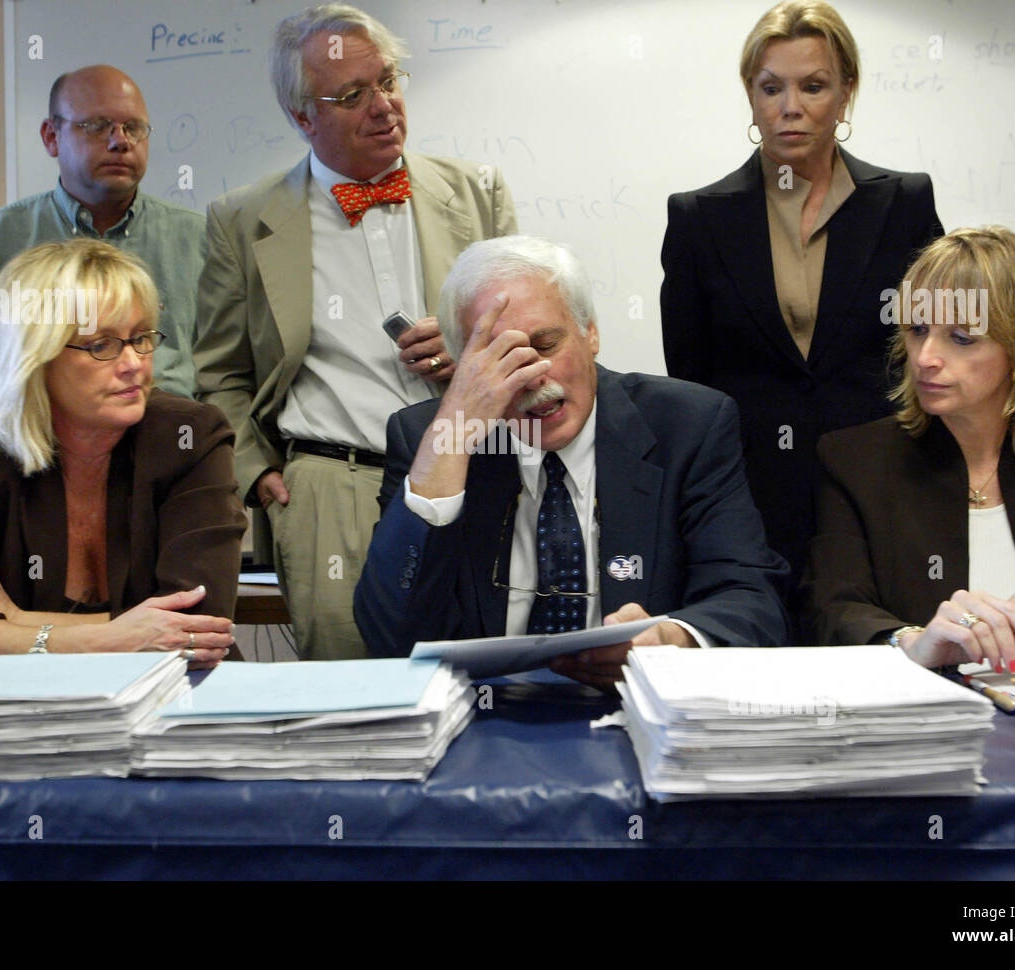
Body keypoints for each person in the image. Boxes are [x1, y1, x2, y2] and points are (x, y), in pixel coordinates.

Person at [194, 3, 516, 661]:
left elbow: (531, 327)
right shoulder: (243, 219)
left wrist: (468, 351)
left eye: (390, 80)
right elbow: (220, 371)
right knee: (349, 694)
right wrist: (257, 474)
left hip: (469, 466)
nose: (385, 106)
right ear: (302, 116)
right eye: (352, 95)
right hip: (327, 488)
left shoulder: (477, 192)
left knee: (475, 666)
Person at [355, 236, 789, 691]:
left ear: (591, 333)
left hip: (631, 710)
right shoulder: (428, 439)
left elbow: (752, 600)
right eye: (497, 359)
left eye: (545, 344)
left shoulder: (687, 425)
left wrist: (671, 639)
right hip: (484, 720)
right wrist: (449, 442)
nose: (530, 377)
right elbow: (389, 635)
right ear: (464, 368)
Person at [660, 0, 943, 610]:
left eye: (813, 86)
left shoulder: (904, 203)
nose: (790, 107)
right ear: (751, 96)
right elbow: (691, 383)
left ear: (845, 93)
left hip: (882, 480)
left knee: (885, 662)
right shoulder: (697, 217)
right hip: (750, 495)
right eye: (771, 88)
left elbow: (933, 348)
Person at [0, 238, 245, 667]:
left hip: (178, 703)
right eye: (102, 345)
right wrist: (108, 638)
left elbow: (195, 629)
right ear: (35, 359)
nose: (134, 362)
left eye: (141, 338)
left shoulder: (190, 436)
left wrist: (14, 618)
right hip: (25, 711)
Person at [804, 227, 1015, 672]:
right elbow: (832, 611)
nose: (925, 358)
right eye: (917, 330)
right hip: (925, 725)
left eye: (961, 338)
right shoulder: (856, 460)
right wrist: (912, 643)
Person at [0, 65, 203, 397]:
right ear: (51, 137)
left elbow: (227, 369)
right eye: (97, 126)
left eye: (133, 128)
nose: (120, 141)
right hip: (39, 439)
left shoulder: (200, 241)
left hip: (171, 432)